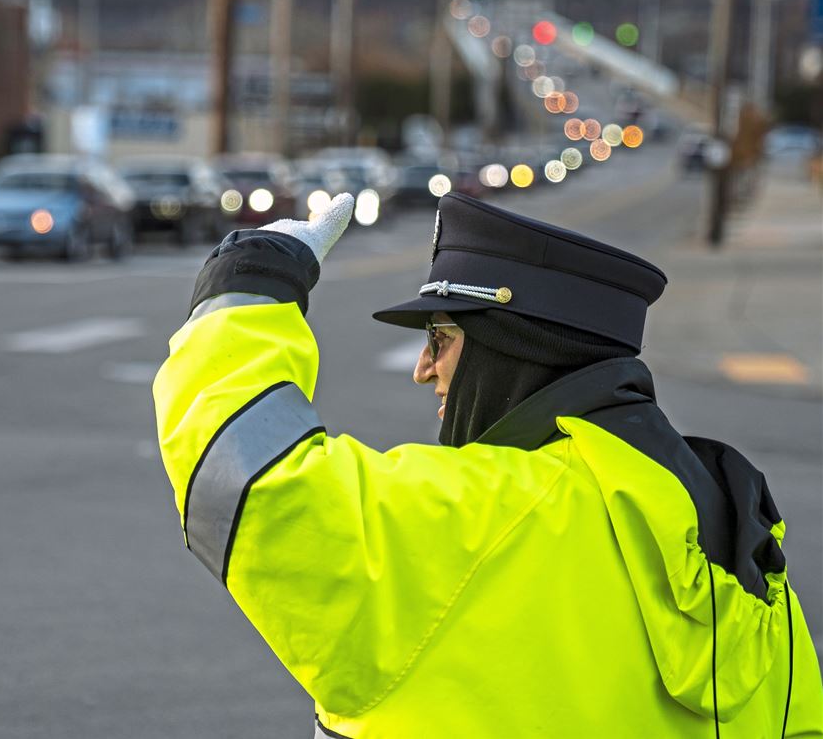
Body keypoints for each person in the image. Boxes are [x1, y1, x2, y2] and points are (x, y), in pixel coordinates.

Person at [152, 191, 822, 737]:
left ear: (513, 350)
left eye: (441, 338)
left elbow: (246, 477)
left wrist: (249, 283)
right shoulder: (740, 541)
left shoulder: (473, 518)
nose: (424, 369)